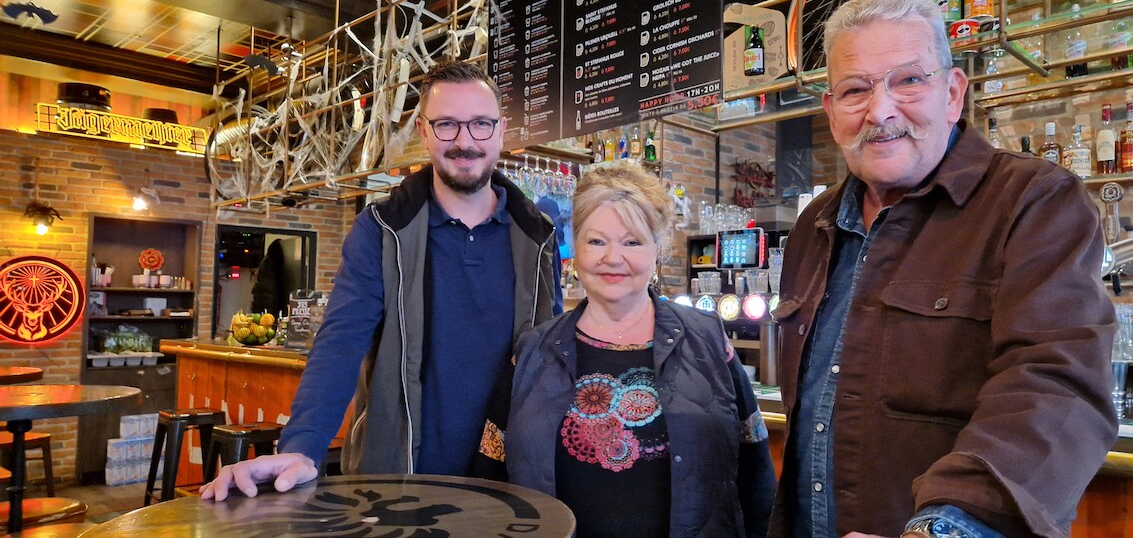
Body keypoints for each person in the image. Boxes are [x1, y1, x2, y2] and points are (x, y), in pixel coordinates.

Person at [767, 0, 1116, 538]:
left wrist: (948, 527)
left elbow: (1055, 380)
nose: (881, 110)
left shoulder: (1032, 200)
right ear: (832, 112)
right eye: (856, 90)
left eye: (908, 80)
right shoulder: (815, 224)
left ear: (953, 93)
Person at [200, 60, 562, 500]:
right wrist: (302, 447)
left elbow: (554, 357)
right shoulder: (382, 230)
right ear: (424, 131)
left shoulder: (538, 237)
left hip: (513, 479)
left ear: (501, 130)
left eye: (480, 125)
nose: (465, 141)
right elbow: (340, 341)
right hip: (401, 478)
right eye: (447, 124)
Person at [476, 162, 776, 537]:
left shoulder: (709, 340)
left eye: (631, 241)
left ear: (658, 249)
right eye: (596, 241)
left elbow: (756, 472)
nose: (612, 258)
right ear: (576, 246)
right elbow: (490, 470)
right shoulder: (532, 350)